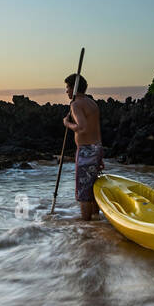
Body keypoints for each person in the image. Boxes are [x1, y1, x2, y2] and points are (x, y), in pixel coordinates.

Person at [63, 73, 103, 220]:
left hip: (86, 151)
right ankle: (95, 222)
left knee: (84, 193)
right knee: (92, 189)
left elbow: (82, 128)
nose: (66, 91)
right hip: (97, 147)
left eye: (67, 87)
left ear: (74, 88)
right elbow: (97, 130)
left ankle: (85, 227)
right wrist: (100, 155)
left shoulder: (75, 104)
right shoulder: (92, 103)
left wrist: (67, 124)